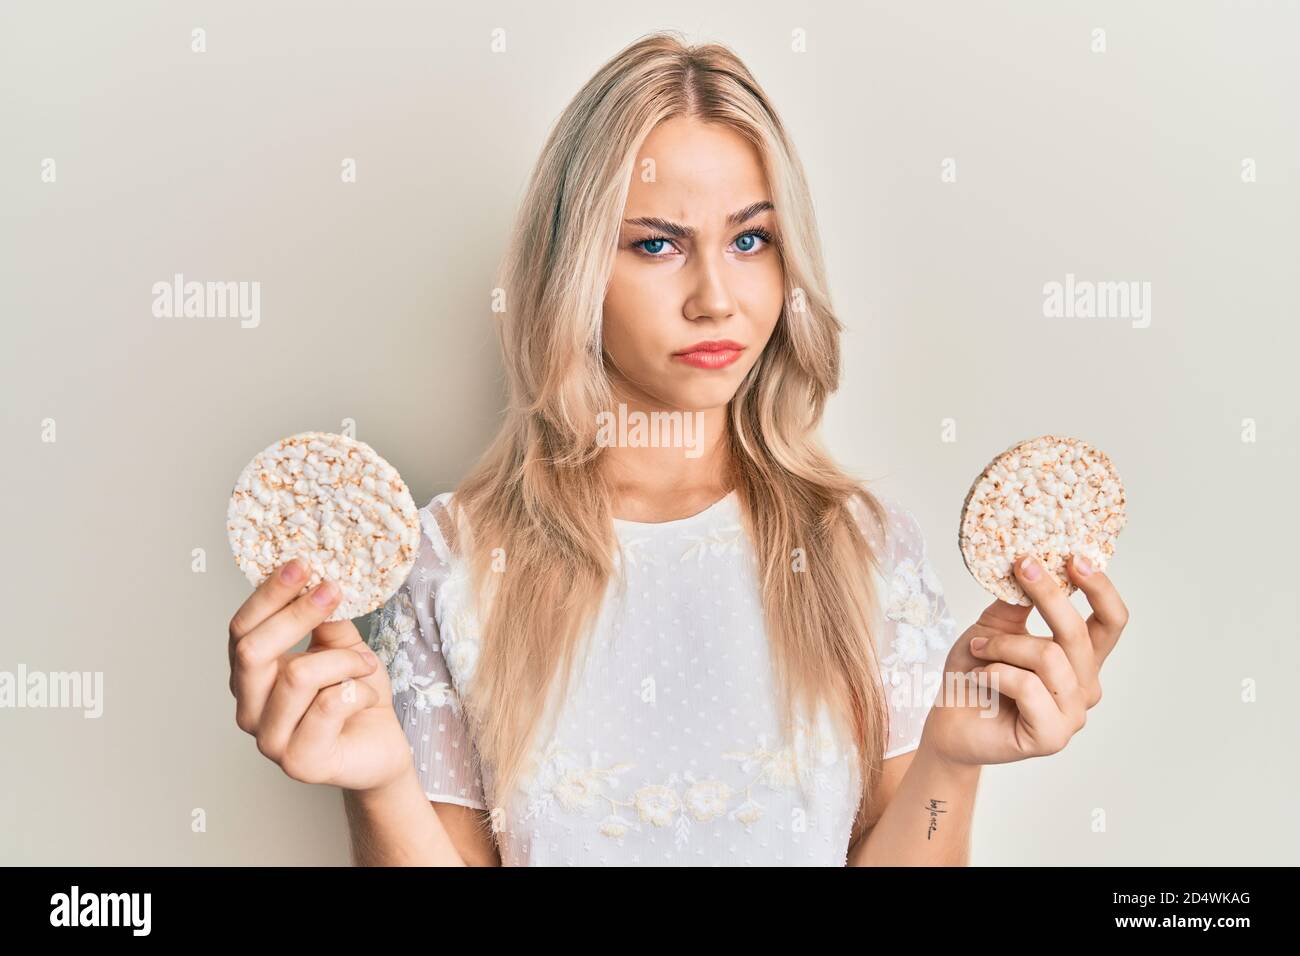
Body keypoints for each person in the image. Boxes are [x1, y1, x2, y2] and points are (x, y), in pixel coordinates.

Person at [227, 31, 1129, 866]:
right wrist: (381, 786)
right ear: (573, 265)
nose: (716, 298)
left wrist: (951, 758)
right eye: (657, 244)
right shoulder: (450, 563)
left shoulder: (863, 546)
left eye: (751, 240)